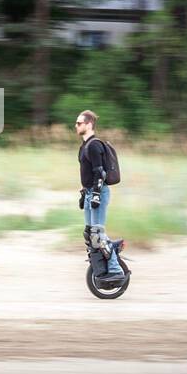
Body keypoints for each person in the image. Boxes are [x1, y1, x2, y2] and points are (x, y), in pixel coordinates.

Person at [75, 109, 124, 280]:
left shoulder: (94, 145)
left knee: (98, 233)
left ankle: (115, 269)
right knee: (90, 234)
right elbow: (88, 173)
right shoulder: (84, 146)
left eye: (79, 123)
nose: (76, 125)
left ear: (88, 124)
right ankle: (100, 266)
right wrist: (85, 193)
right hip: (90, 193)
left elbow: (100, 173)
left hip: (99, 193)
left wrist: (95, 194)